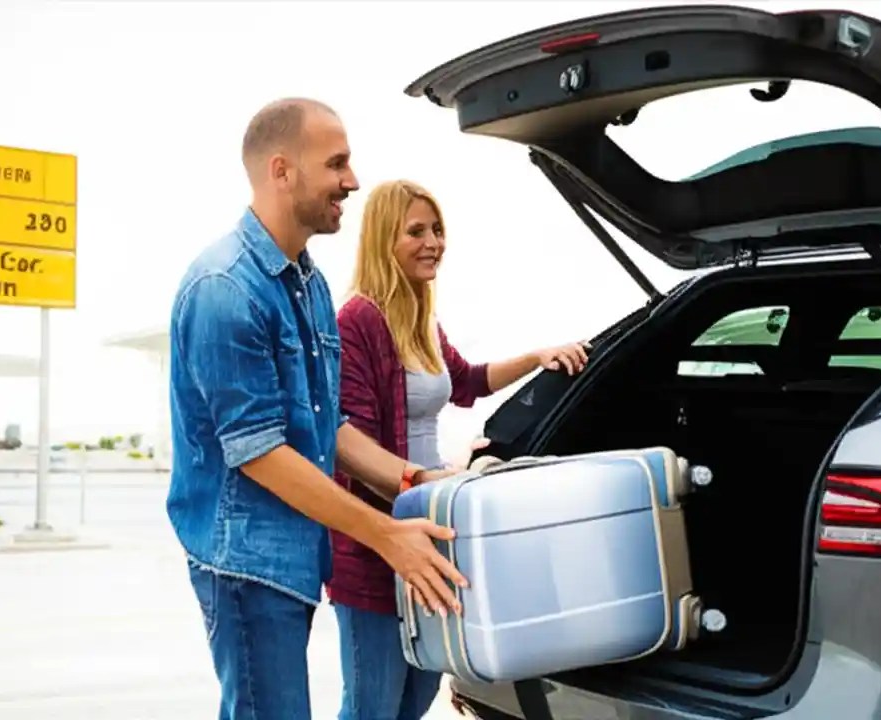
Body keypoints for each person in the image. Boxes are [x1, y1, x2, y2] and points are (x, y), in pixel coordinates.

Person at [166, 100, 470, 720]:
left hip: (298, 555)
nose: (352, 181)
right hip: (246, 563)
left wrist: (415, 482)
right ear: (282, 170)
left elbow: (327, 425)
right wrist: (387, 535)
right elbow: (261, 454)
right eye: (337, 164)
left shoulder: (308, 283)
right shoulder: (225, 288)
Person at [328, 179, 590, 720]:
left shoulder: (421, 319)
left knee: (418, 699)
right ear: (383, 238)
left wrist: (538, 357)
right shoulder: (357, 320)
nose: (433, 242)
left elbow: (468, 381)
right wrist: (429, 481)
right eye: (416, 231)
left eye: (438, 229)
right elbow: (352, 442)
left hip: (434, 527)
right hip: (378, 544)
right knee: (372, 708)